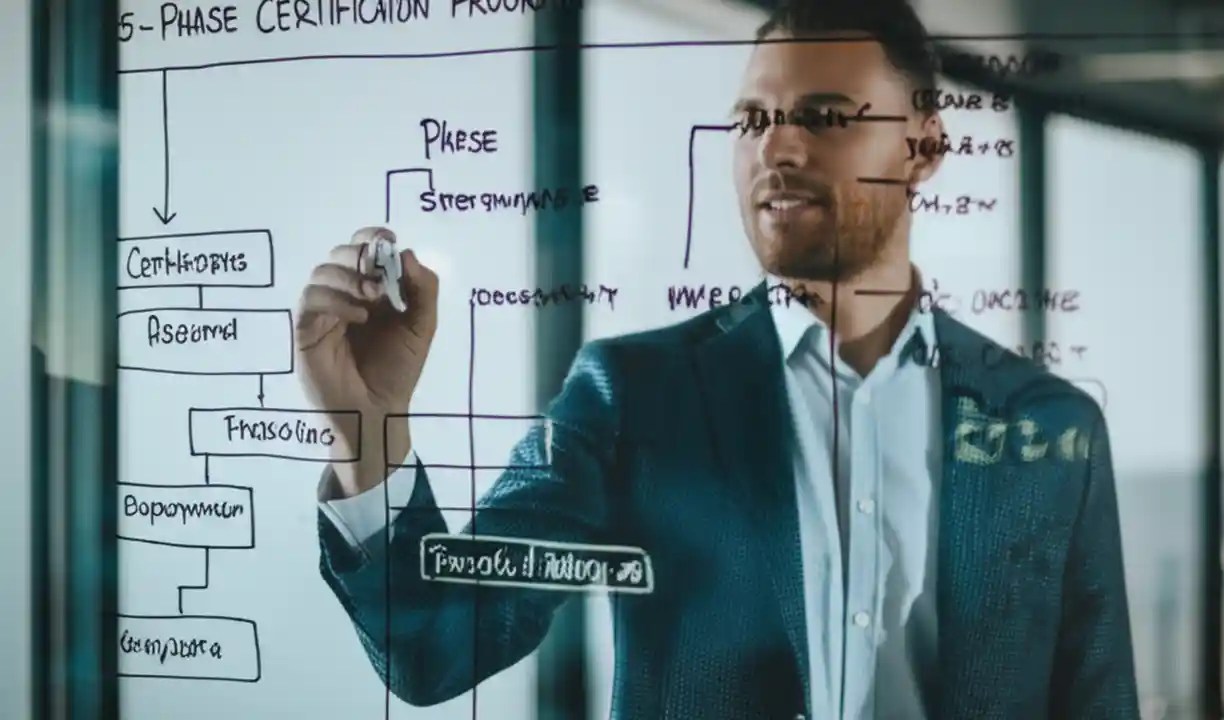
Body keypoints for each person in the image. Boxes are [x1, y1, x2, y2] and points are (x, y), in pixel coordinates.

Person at [295, 1, 1140, 717]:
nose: (776, 150)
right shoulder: (631, 397)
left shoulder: (1051, 425)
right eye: (754, 120)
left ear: (921, 149)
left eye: (823, 116)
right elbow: (440, 647)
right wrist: (369, 433)